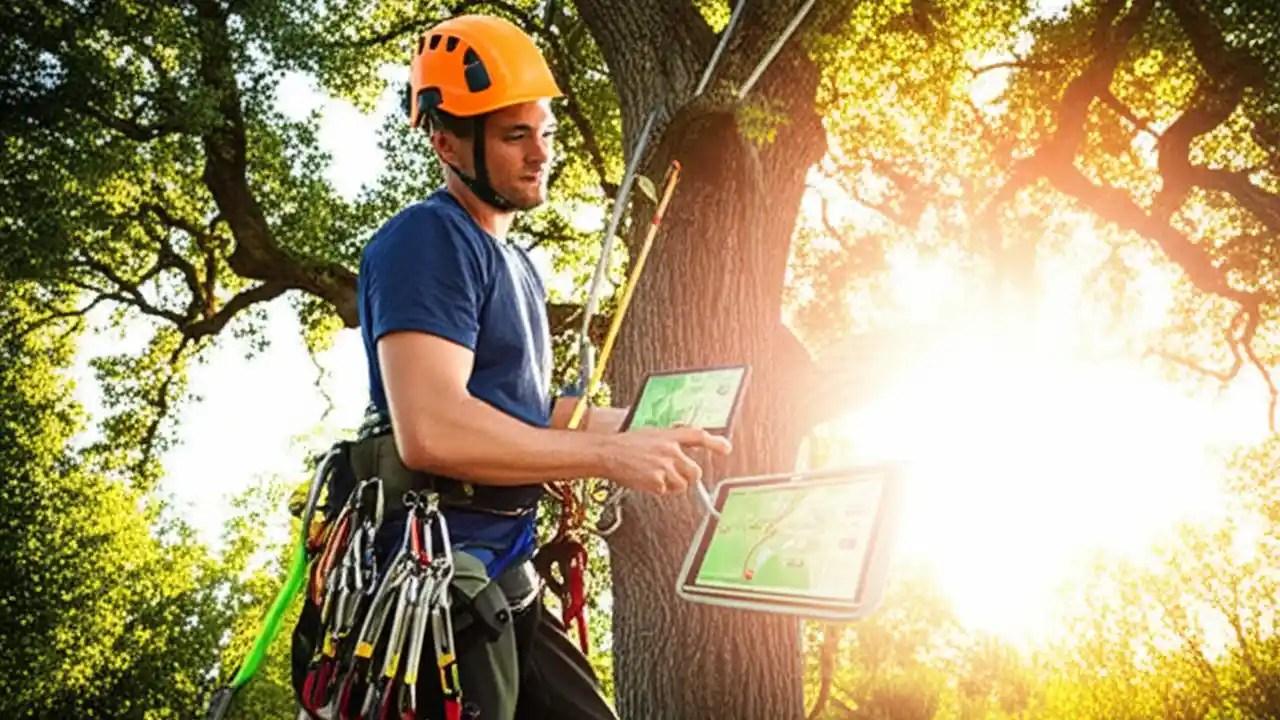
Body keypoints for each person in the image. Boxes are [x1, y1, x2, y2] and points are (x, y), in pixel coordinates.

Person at [319, 13, 732, 720]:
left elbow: (527, 410)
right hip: (435, 588)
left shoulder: (518, 268)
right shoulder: (426, 239)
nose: (542, 153)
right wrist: (609, 455)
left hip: (505, 577)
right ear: (445, 140)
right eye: (516, 135)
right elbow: (434, 430)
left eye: (547, 131)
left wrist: (652, 424)